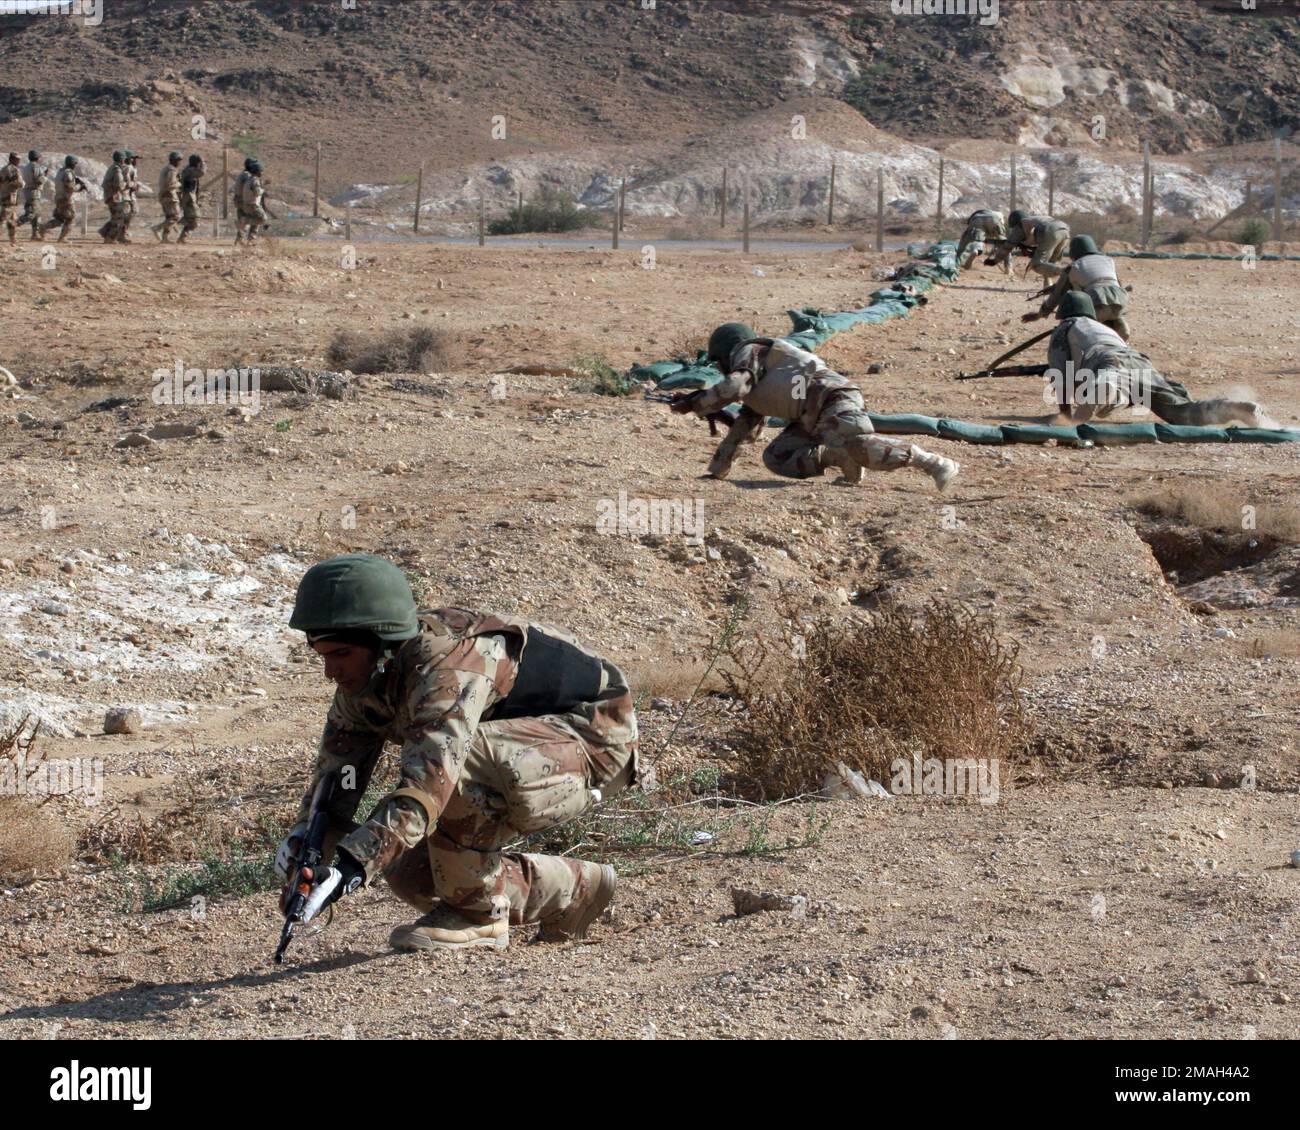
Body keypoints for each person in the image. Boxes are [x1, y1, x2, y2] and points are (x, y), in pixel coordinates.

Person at [275, 554, 639, 951]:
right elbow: (338, 779)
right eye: (321, 654)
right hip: (526, 751)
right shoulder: (365, 684)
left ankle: (479, 919)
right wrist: (307, 849)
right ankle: (574, 889)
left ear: (382, 644)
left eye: (341, 654)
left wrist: (352, 865)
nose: (330, 672)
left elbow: (430, 781)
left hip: (594, 744)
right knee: (412, 870)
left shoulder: (446, 668)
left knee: (453, 767)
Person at [669, 323, 960, 490]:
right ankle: (842, 458)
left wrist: (696, 403)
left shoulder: (749, 353)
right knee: (777, 456)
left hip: (832, 397)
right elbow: (743, 432)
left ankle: (932, 462)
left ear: (724, 354)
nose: (719, 368)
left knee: (858, 443)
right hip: (811, 416)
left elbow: (733, 387)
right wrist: (717, 471)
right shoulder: (756, 383)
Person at [1044, 292, 1266, 426]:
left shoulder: (1065, 328)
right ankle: (1235, 408)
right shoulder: (1101, 327)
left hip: (1111, 364)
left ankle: (1110, 391)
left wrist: (1066, 417)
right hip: (1140, 362)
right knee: (1181, 413)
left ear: (1063, 312)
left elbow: (1061, 376)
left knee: (1101, 401)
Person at [1030, 235, 1131, 340]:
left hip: (1096, 303)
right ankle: (1121, 327)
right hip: (1120, 300)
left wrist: (1041, 314)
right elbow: (1109, 282)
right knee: (1111, 311)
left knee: (1073, 317)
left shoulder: (1073, 267)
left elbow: (1057, 295)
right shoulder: (1108, 260)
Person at [987, 209, 1070, 280]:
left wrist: (995, 261)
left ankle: (1064, 271)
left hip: (1050, 232)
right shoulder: (1035, 220)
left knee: (1036, 265)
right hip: (1065, 230)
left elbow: (1008, 246)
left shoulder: (1021, 224)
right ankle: (1050, 286)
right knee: (1050, 264)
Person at [39, 155, 88, 242]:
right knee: (71, 218)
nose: (75, 166)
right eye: (75, 164)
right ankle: (63, 238)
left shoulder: (61, 172)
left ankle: (43, 227)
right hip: (66, 199)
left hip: (59, 197)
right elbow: (70, 187)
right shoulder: (68, 173)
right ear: (72, 164)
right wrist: (80, 187)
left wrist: (76, 181)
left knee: (60, 219)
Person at [17, 149, 49, 241]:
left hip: (28, 191)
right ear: (37, 158)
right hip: (34, 192)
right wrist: (44, 176)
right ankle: (15, 223)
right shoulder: (35, 167)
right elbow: (38, 181)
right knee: (32, 213)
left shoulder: (26, 167)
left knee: (37, 213)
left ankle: (35, 234)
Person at [152, 151, 183, 242]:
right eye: (178, 160)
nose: (180, 162)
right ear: (172, 160)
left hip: (165, 196)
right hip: (170, 196)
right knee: (175, 217)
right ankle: (157, 228)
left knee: (169, 218)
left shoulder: (166, 168)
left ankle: (165, 238)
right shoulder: (172, 170)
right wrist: (179, 184)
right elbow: (170, 184)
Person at [99, 150, 129, 243]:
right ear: (122, 160)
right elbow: (119, 185)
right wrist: (127, 184)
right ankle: (110, 238)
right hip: (114, 197)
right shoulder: (117, 170)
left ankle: (104, 232)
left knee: (115, 217)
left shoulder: (113, 168)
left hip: (111, 197)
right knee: (118, 218)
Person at [177, 154, 205, 244]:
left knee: (191, 219)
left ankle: (181, 234)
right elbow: (202, 172)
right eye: (199, 162)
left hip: (188, 197)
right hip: (188, 197)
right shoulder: (190, 170)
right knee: (195, 219)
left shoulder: (188, 170)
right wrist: (203, 162)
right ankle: (175, 224)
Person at [0, 153, 22, 246]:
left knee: (12, 219)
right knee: (3, 218)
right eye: (17, 159)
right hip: (10, 196)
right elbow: (18, 183)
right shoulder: (13, 169)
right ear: (12, 159)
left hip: (4, 195)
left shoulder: (3, 169)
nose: (19, 161)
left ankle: (13, 240)